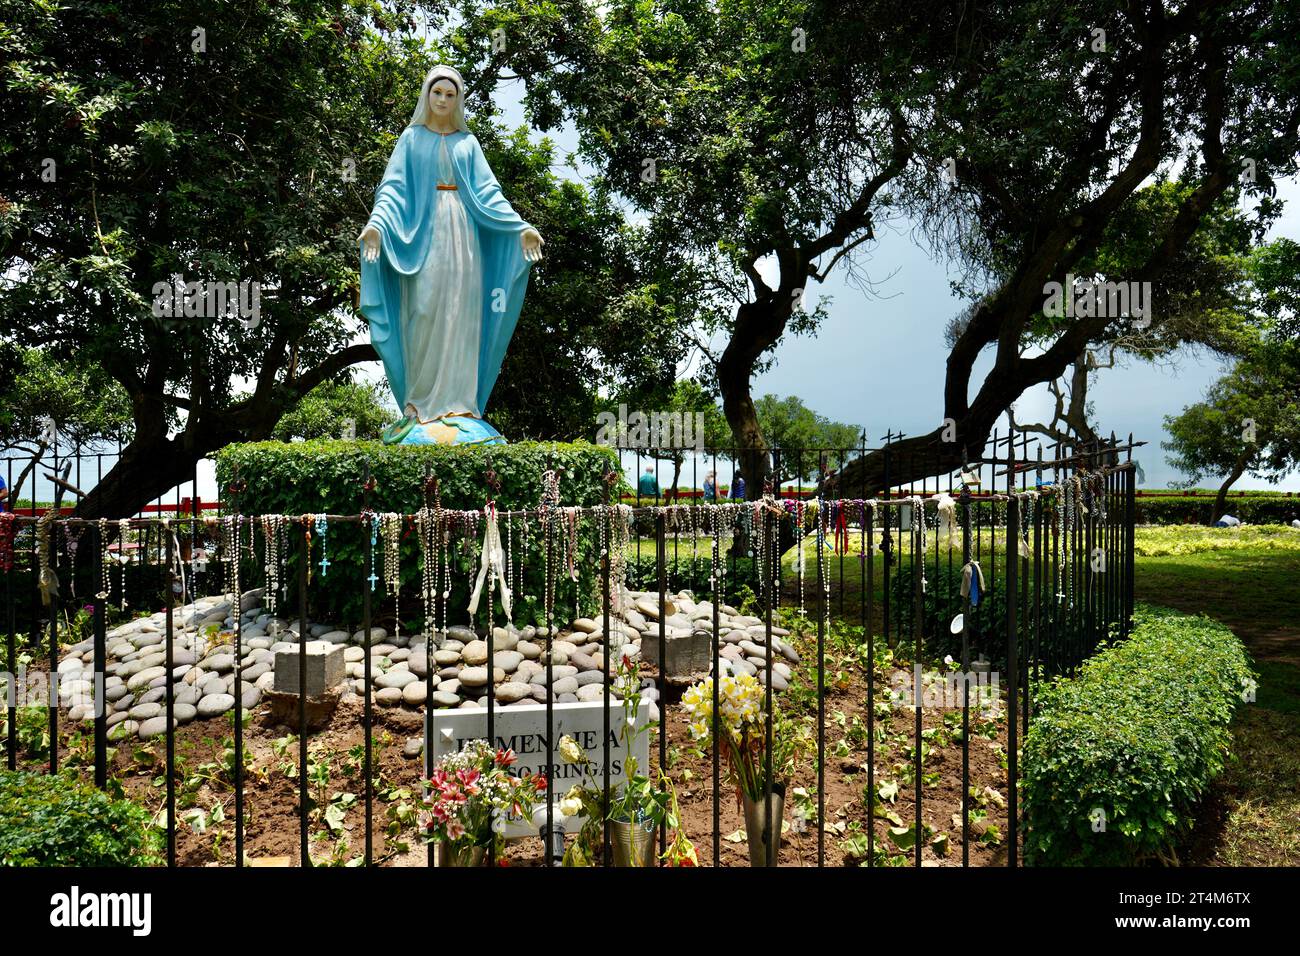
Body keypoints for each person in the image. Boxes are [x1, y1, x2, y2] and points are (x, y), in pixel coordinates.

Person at [358, 64, 543, 446]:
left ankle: (460, 406)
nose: (443, 100)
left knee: (462, 313)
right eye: (437, 92)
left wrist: (520, 226)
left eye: (450, 94)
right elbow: (392, 189)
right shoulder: (411, 139)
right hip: (423, 236)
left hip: (464, 233)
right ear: (426, 96)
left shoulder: (467, 143)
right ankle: (420, 404)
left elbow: (490, 193)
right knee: (424, 310)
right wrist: (376, 225)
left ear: (458, 100)